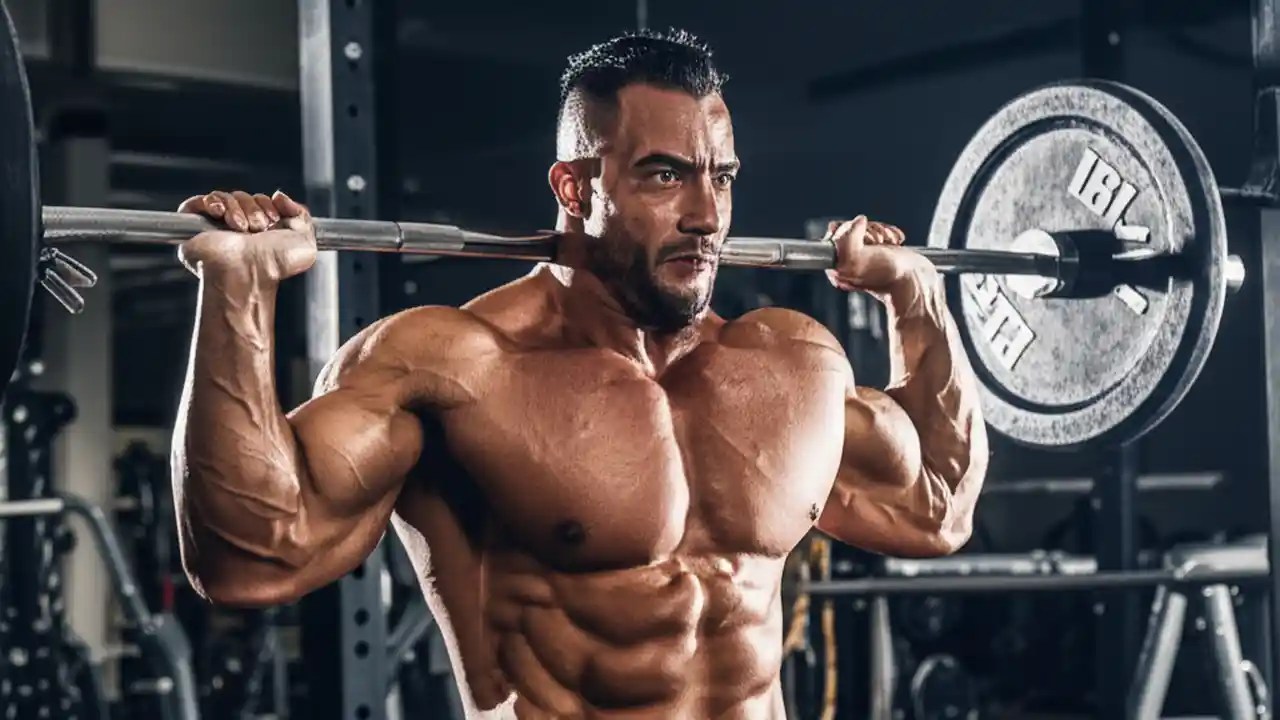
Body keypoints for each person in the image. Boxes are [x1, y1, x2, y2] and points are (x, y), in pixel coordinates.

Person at [170, 28, 988, 720]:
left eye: (722, 176)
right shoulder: (460, 367)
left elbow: (938, 510)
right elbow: (252, 558)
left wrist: (918, 298)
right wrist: (237, 293)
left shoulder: (792, 364)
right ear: (573, 186)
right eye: (665, 174)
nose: (705, 215)